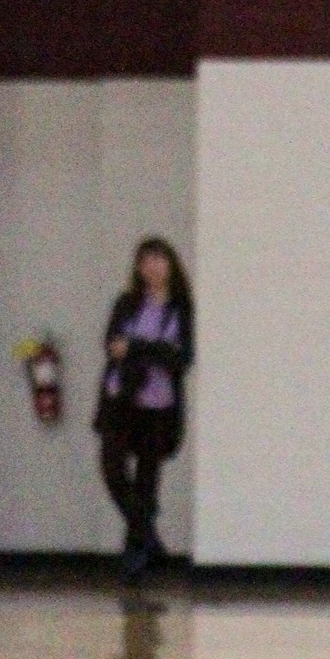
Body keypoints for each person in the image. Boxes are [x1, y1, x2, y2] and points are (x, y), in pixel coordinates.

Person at [93, 237, 195, 582]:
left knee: (147, 475)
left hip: (157, 405)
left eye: (159, 259)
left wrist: (136, 347)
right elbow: (112, 345)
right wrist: (149, 350)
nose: (152, 266)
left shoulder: (180, 308)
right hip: (120, 398)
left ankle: (136, 551)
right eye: (145, 260)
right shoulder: (126, 303)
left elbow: (180, 358)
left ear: (171, 264)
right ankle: (146, 533)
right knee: (112, 469)